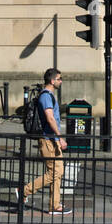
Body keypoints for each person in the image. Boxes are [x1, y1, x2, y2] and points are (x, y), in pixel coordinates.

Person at [21, 69, 71, 215]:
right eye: (59, 79)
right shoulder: (45, 96)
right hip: (48, 140)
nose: (61, 81)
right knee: (55, 172)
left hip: (52, 139)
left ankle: (54, 205)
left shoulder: (48, 96)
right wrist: (60, 136)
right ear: (52, 81)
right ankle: (24, 190)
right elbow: (50, 118)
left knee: (57, 172)